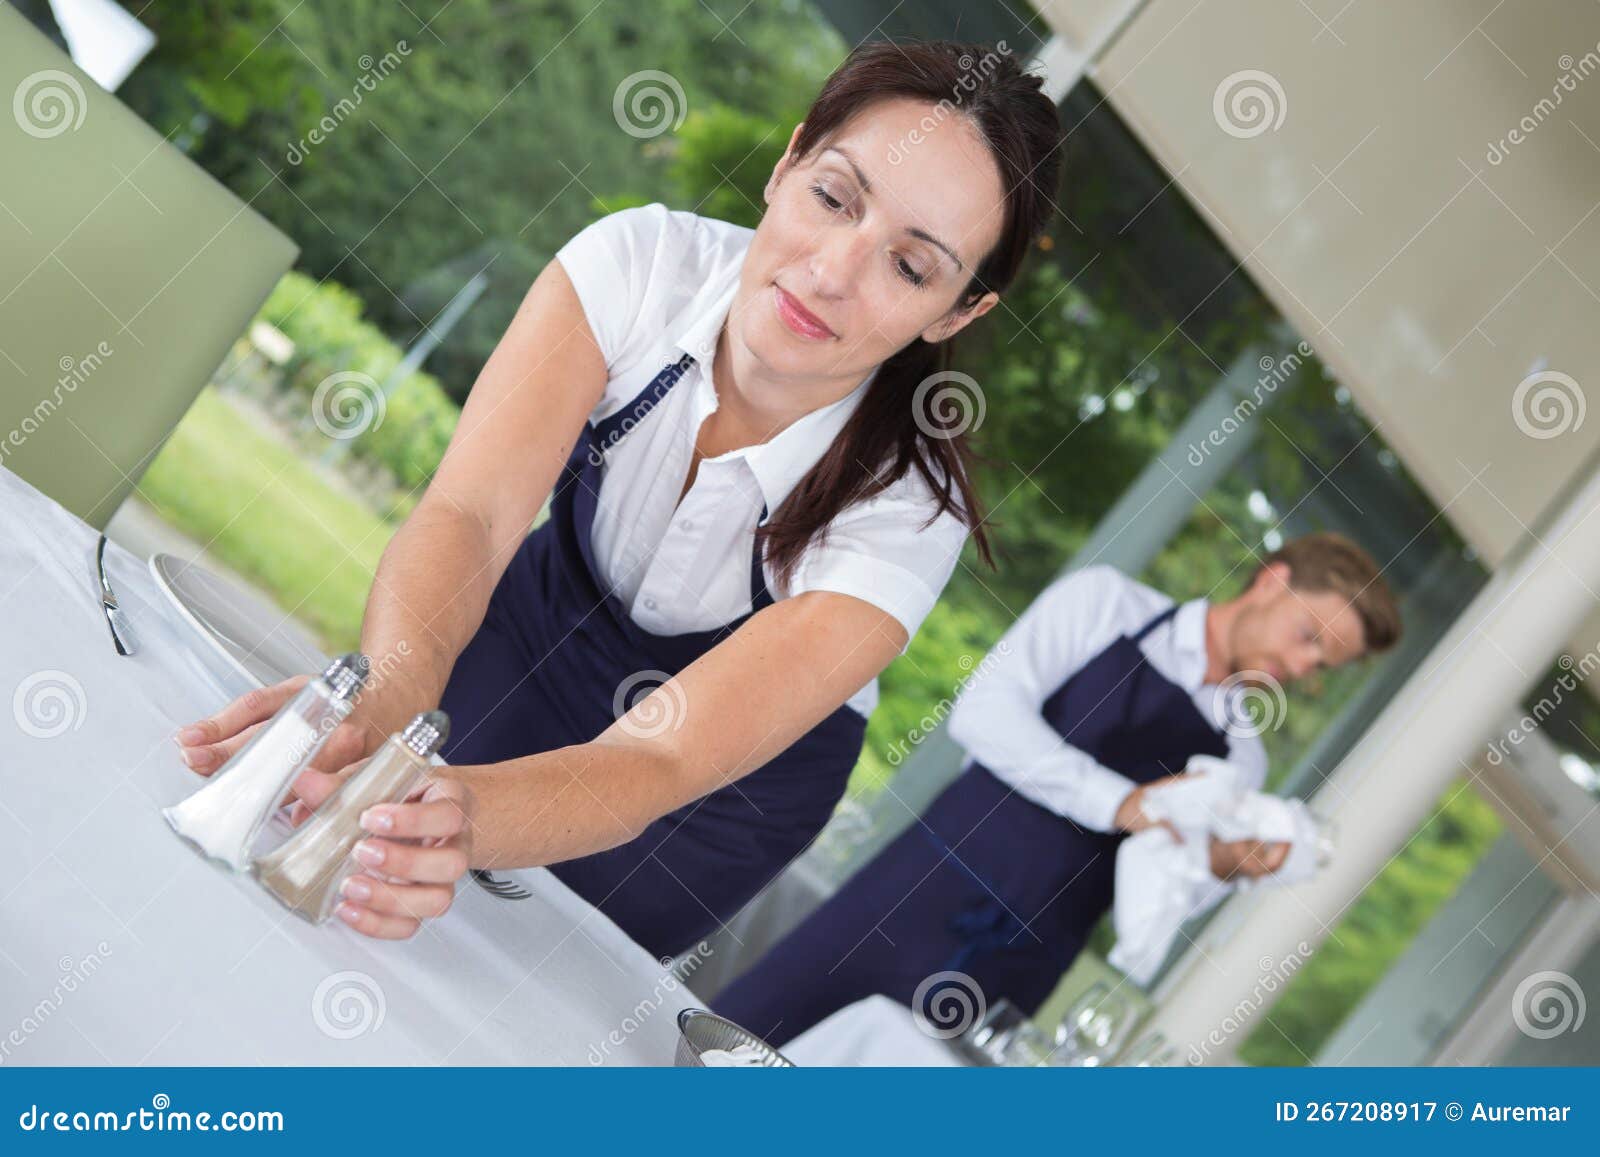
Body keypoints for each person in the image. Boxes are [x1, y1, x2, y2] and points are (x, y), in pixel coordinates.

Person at [171, 41, 1065, 950]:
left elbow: (661, 756)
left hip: (712, 796)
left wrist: (457, 811)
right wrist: (378, 705)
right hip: (535, 631)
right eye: (833, 197)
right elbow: (471, 517)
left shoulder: (909, 513)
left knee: (509, 976)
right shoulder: (643, 264)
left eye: (911, 268)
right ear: (788, 162)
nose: (833, 272)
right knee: (336, 872)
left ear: (958, 313)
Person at [713, 533, 1403, 1046]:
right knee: (746, 1042)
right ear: (1272, 580)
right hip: (921, 889)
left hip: (1023, 965)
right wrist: (1123, 803)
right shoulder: (1106, 604)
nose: (1304, 666)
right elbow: (985, 715)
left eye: (1324, 663)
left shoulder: (1243, 758)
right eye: (1309, 635)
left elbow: (1158, 897)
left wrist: (1223, 868)